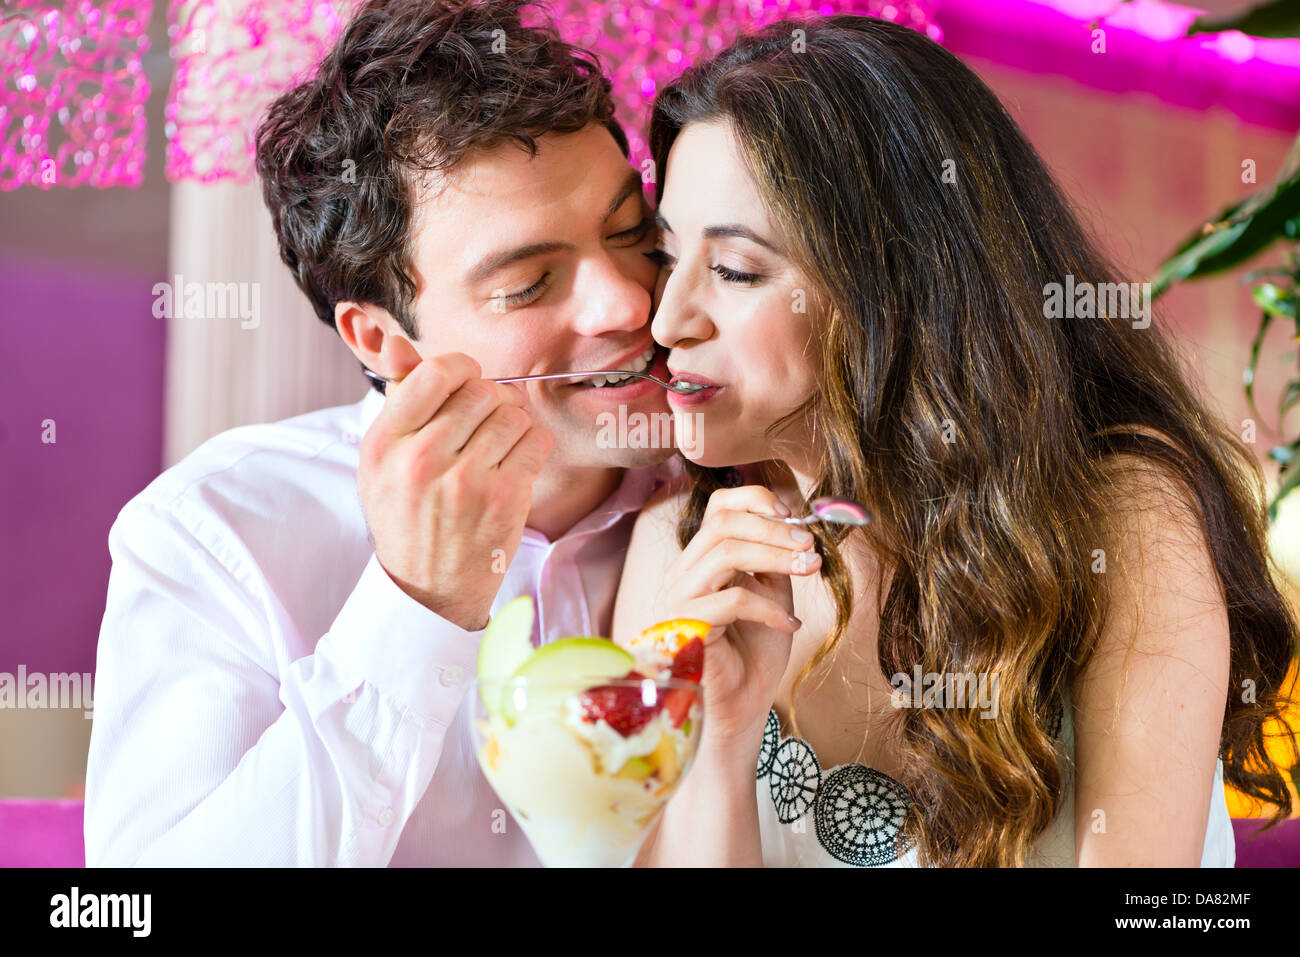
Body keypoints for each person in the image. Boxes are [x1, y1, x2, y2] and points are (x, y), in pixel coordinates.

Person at [614, 14, 1299, 867]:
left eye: (737, 271)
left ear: (895, 289)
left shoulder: (1119, 518)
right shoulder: (672, 554)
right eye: (665, 254)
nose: (668, 318)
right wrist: (719, 740)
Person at [84, 0, 678, 866]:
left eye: (631, 233)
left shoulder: (743, 486)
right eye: (529, 282)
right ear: (385, 342)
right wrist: (417, 609)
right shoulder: (212, 532)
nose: (627, 301)